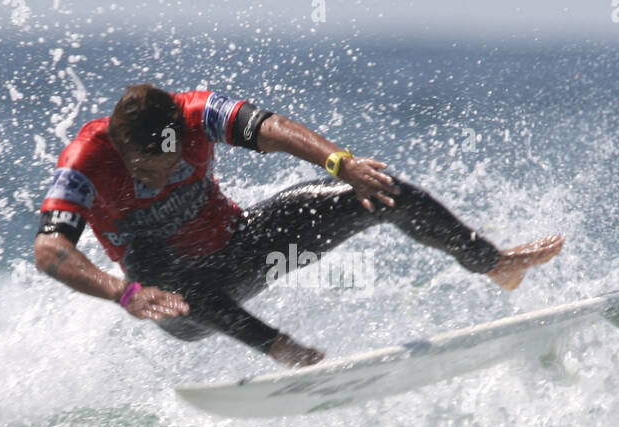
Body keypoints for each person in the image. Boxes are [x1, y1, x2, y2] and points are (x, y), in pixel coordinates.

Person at [34, 84, 563, 367]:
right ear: (122, 148)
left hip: (243, 251)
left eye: (175, 162)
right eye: (151, 170)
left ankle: (496, 264)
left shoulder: (196, 113)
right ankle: (285, 352)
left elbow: (272, 128)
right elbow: (50, 250)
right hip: (173, 303)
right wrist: (122, 293)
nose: (168, 176)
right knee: (157, 267)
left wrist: (342, 164)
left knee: (381, 193)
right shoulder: (85, 159)